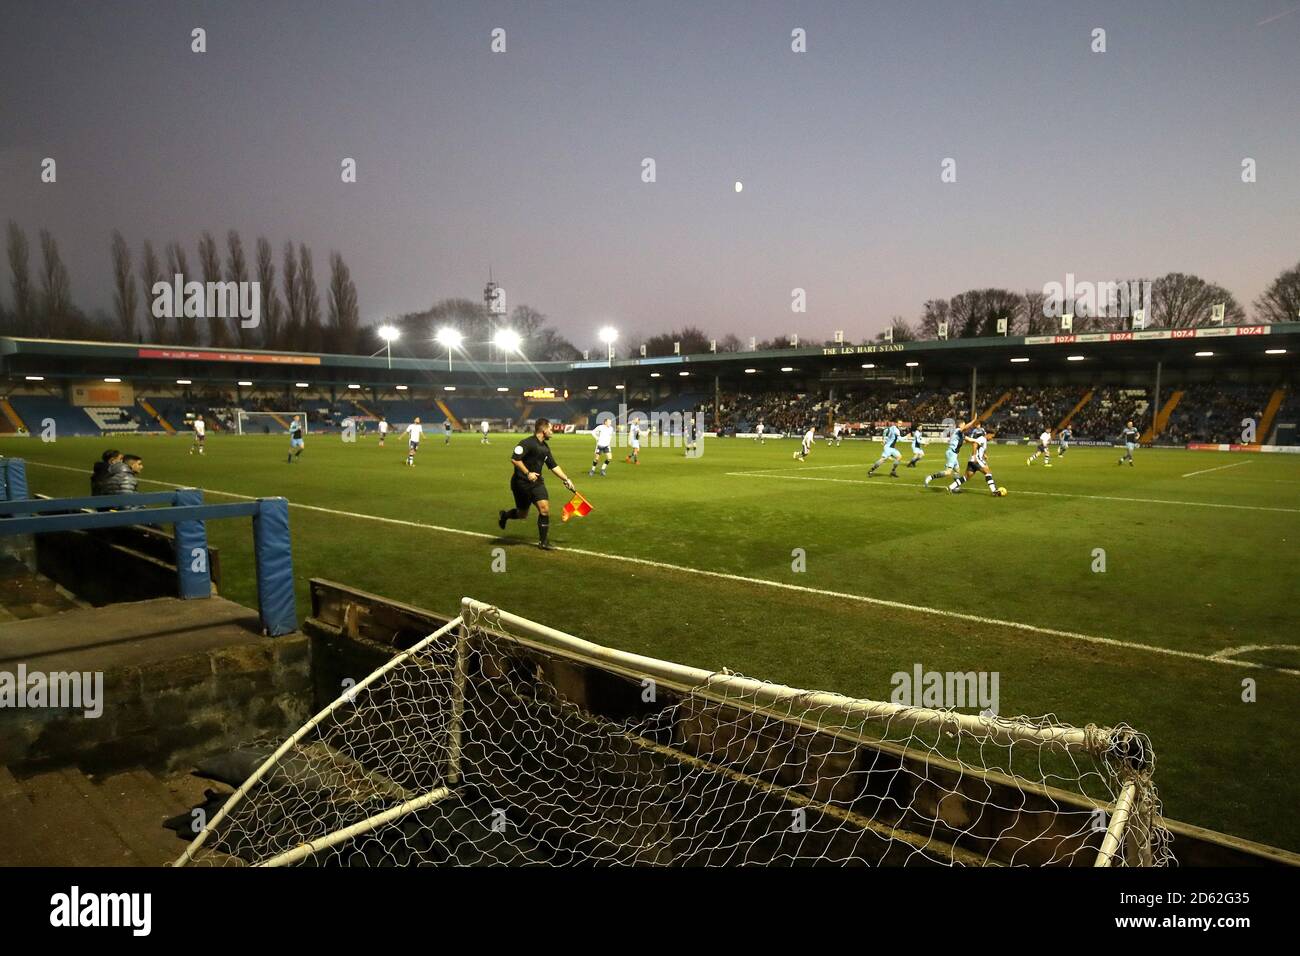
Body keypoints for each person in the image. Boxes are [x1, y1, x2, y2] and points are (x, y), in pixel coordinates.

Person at [497, 418, 578, 551]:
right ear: (543, 430)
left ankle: (543, 542)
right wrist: (528, 473)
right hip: (521, 483)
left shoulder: (545, 448)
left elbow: (553, 466)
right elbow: (515, 459)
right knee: (522, 514)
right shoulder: (527, 443)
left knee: (544, 509)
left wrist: (566, 479)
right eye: (550, 429)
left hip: (536, 483)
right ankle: (505, 515)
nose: (552, 431)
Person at [949, 426, 1001, 495]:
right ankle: (994, 491)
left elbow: (980, 448)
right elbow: (974, 444)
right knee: (988, 472)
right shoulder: (982, 439)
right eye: (992, 437)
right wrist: (974, 456)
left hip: (972, 460)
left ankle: (951, 487)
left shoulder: (984, 440)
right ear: (989, 434)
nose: (991, 439)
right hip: (976, 460)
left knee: (966, 477)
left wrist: (984, 454)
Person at [925, 418, 970, 489]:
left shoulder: (960, 434)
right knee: (948, 472)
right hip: (952, 453)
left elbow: (967, 440)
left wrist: (976, 441)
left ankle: (955, 487)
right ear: (960, 425)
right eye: (964, 425)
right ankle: (930, 477)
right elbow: (965, 429)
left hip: (954, 454)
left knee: (957, 470)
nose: (964, 426)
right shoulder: (958, 430)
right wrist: (973, 421)